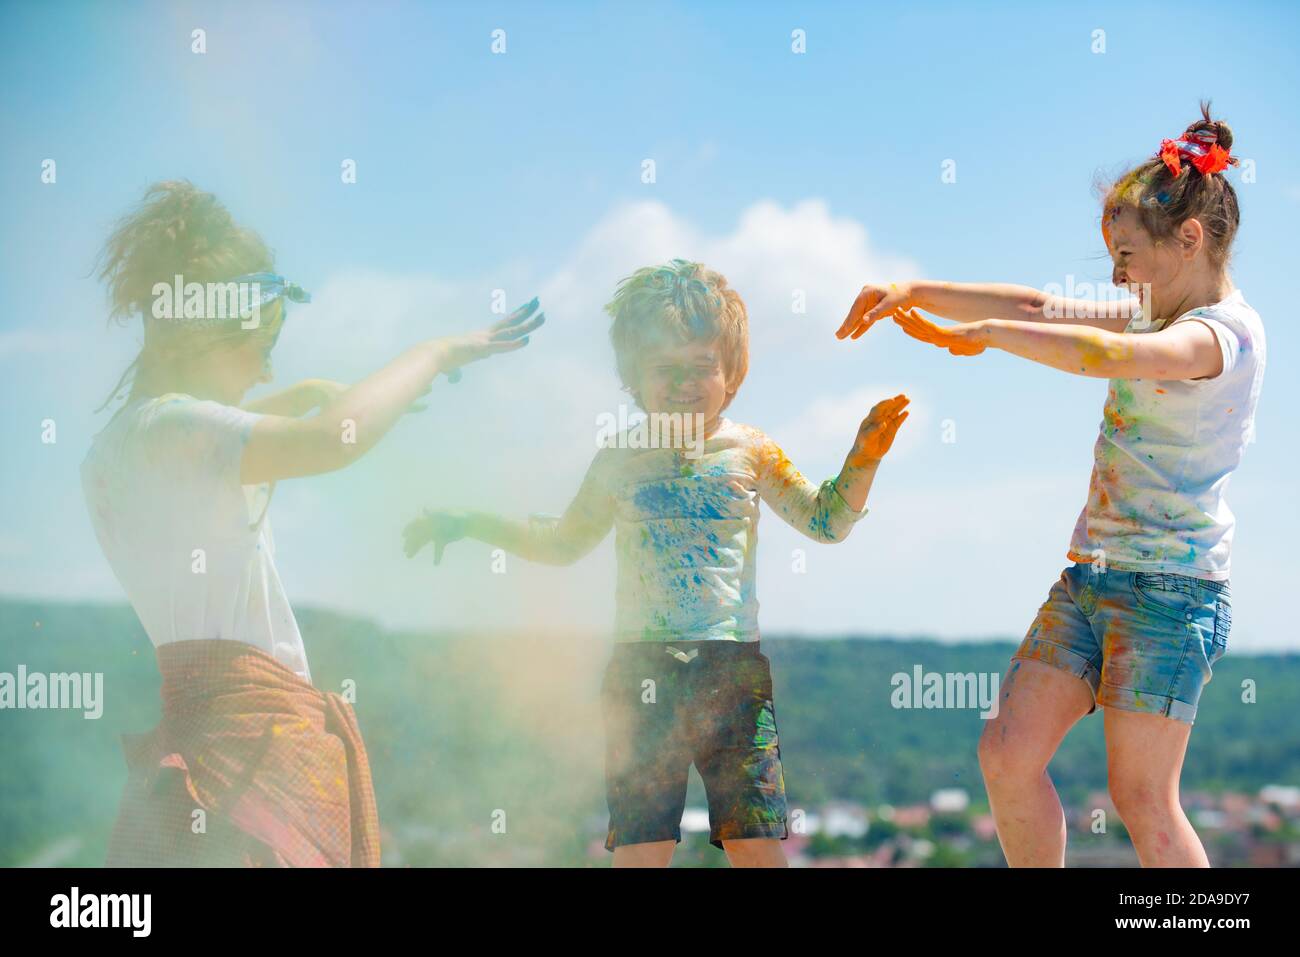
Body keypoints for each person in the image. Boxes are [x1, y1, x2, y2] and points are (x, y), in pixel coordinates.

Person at [836, 103, 1263, 867]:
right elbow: (1035, 305)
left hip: (1172, 593)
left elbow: (1098, 354)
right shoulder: (1147, 319)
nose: (1116, 275)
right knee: (1005, 750)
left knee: (1141, 798)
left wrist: (989, 339)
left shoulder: (1220, 336)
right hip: (1089, 579)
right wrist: (916, 289)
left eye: (1127, 254)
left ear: (1189, 239)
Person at [82, 180, 544, 866]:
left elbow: (213, 445)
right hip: (247, 755)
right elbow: (336, 438)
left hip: (207, 745)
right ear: (203, 331)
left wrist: (297, 395)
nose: (268, 364)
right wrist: (438, 352)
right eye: (260, 343)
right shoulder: (176, 429)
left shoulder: (116, 446)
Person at [405, 259, 908, 867]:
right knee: (643, 845)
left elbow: (826, 521)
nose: (685, 383)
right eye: (664, 369)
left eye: (702, 366)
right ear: (632, 379)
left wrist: (864, 458)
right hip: (641, 673)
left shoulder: (753, 451)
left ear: (733, 374)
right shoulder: (620, 458)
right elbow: (563, 542)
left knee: (756, 842)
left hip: (732, 673)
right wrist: (467, 523)